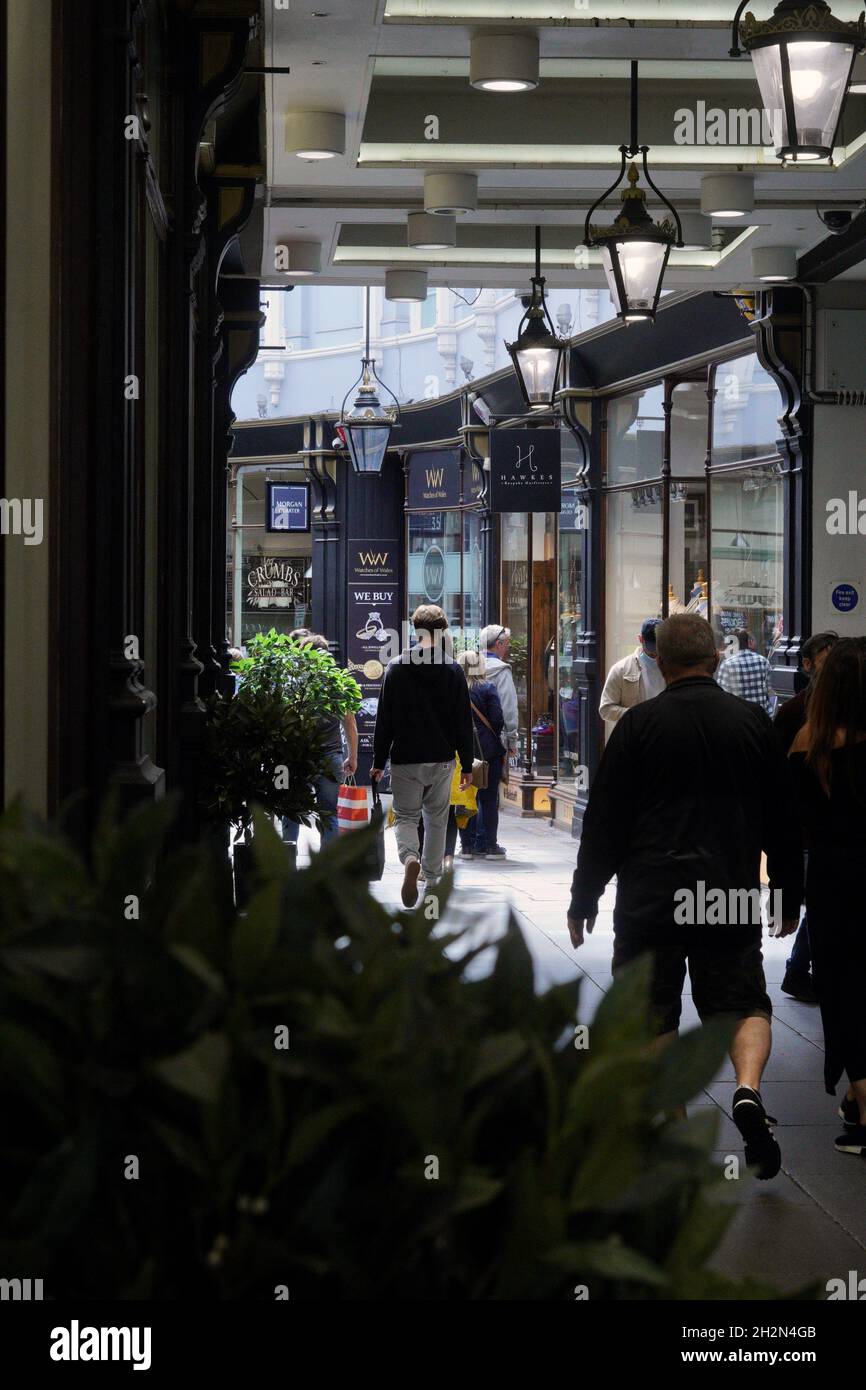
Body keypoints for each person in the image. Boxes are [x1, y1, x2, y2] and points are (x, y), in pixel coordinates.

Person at [568, 613, 803, 1180]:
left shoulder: (639, 727)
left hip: (652, 892)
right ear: (716, 659)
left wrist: (585, 896)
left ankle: (671, 1119)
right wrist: (789, 895)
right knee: (743, 1000)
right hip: (729, 891)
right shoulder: (752, 723)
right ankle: (747, 1091)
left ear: (659, 662)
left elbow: (605, 822)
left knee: (651, 1007)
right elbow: (782, 819)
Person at [788, 637, 866, 1157]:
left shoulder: (807, 743)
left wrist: (784, 897)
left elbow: (792, 828)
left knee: (845, 991)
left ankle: (861, 1103)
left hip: (836, 883)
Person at [371, 605, 474, 908]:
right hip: (442, 759)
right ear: (443, 631)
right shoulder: (453, 669)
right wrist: (467, 765)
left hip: (406, 759)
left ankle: (409, 858)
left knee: (406, 816)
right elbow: (462, 722)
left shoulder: (397, 667)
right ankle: (431, 878)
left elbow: (384, 720)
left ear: (414, 630)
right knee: (437, 819)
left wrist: (378, 761)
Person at [773, 630, 838, 1003]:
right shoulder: (794, 712)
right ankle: (798, 968)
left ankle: (800, 969)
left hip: (825, 823)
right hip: (811, 824)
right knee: (821, 899)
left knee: (822, 900)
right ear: (808, 665)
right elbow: (779, 769)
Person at [281, 633, 358, 857]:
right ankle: (329, 869)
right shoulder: (338, 683)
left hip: (298, 757)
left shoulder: (293, 682)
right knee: (329, 814)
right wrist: (353, 757)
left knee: (291, 811)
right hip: (331, 756)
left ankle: (286, 866)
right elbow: (350, 723)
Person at [453, 649, 506, 860]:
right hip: (488, 752)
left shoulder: (453, 688)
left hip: (459, 752)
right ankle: (490, 847)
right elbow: (497, 719)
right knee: (489, 799)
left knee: (463, 798)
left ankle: (465, 846)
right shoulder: (488, 688)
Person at [599, 617, 664, 736]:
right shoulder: (622, 669)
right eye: (651, 646)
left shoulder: (674, 668)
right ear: (640, 639)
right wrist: (635, 714)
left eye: (659, 645)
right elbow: (605, 709)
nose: (655, 651)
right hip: (635, 737)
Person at [479, 624, 519, 764]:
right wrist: (512, 740)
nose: (507, 647)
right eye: (506, 644)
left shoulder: (469, 667)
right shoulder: (502, 671)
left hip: (471, 738)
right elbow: (508, 707)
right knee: (494, 782)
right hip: (495, 739)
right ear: (498, 644)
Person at [716, 628, 771, 712]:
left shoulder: (727, 664)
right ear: (748, 642)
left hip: (739, 719)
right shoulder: (763, 661)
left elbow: (722, 696)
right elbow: (769, 689)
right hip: (762, 717)